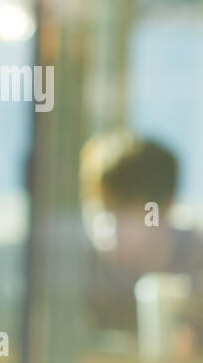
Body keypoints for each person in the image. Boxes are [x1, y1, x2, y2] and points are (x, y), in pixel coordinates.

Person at [78, 131, 203, 348]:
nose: (110, 229)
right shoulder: (85, 271)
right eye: (103, 212)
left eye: (124, 213)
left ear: (164, 207)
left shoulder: (196, 264)